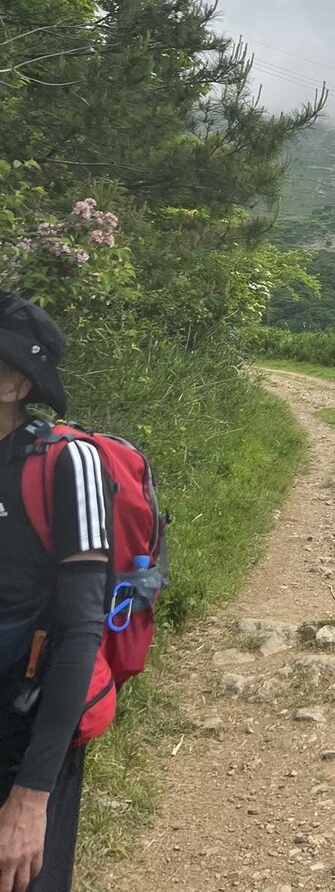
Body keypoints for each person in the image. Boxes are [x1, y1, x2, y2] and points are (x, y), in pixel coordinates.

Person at [0, 292, 109, 892]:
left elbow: (81, 631)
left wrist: (30, 800)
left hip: (27, 726)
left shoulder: (69, 464)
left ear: (15, 384)